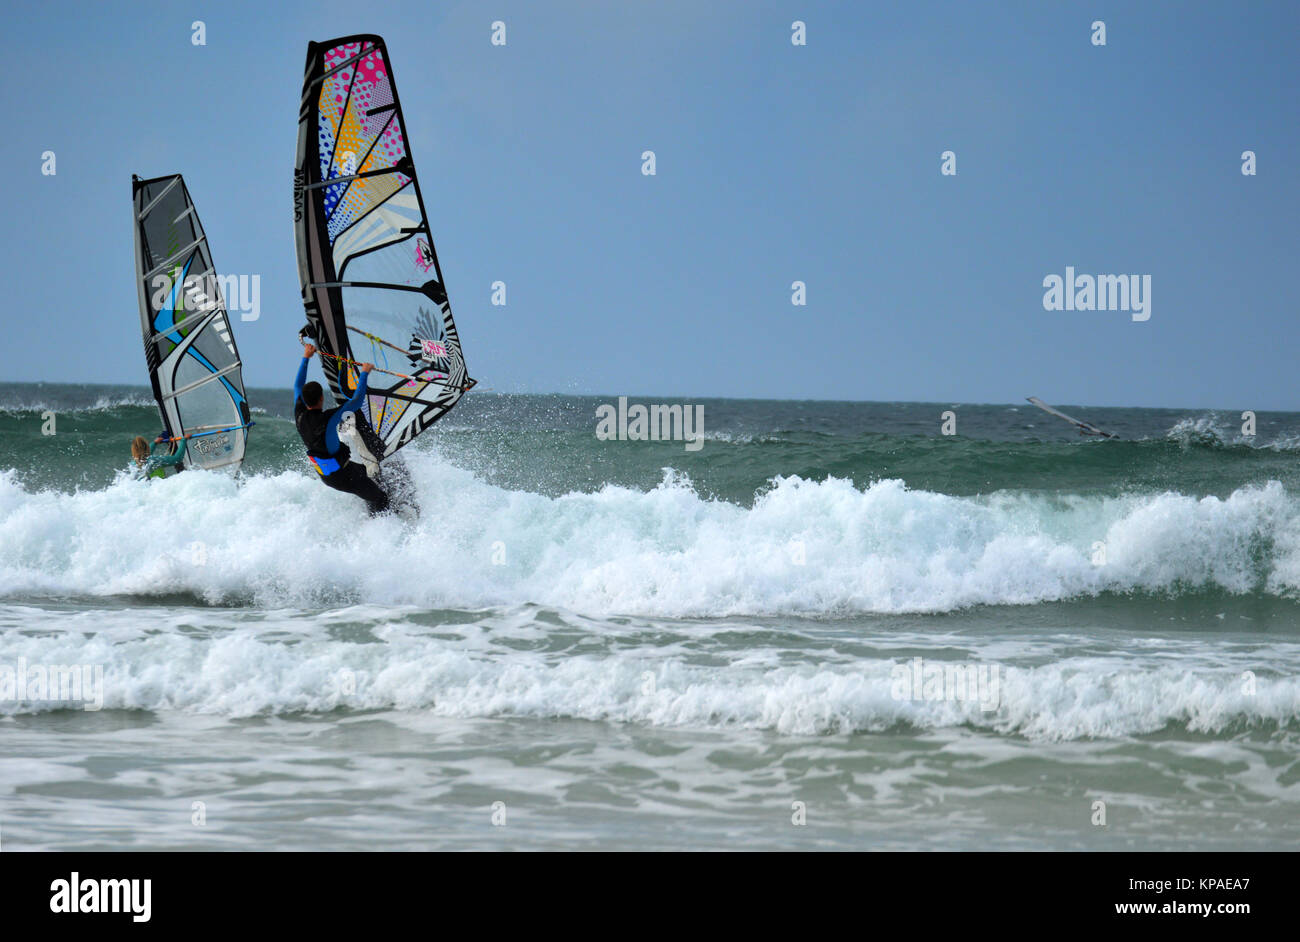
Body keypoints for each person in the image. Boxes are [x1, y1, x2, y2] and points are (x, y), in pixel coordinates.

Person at [294, 342, 390, 515]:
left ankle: (371, 507)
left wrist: (306, 357)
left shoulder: (299, 414)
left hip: (331, 474)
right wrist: (365, 374)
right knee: (381, 498)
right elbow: (356, 402)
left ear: (304, 399)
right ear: (322, 398)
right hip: (344, 476)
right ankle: (381, 529)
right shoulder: (327, 418)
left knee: (367, 475)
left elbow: (297, 387)